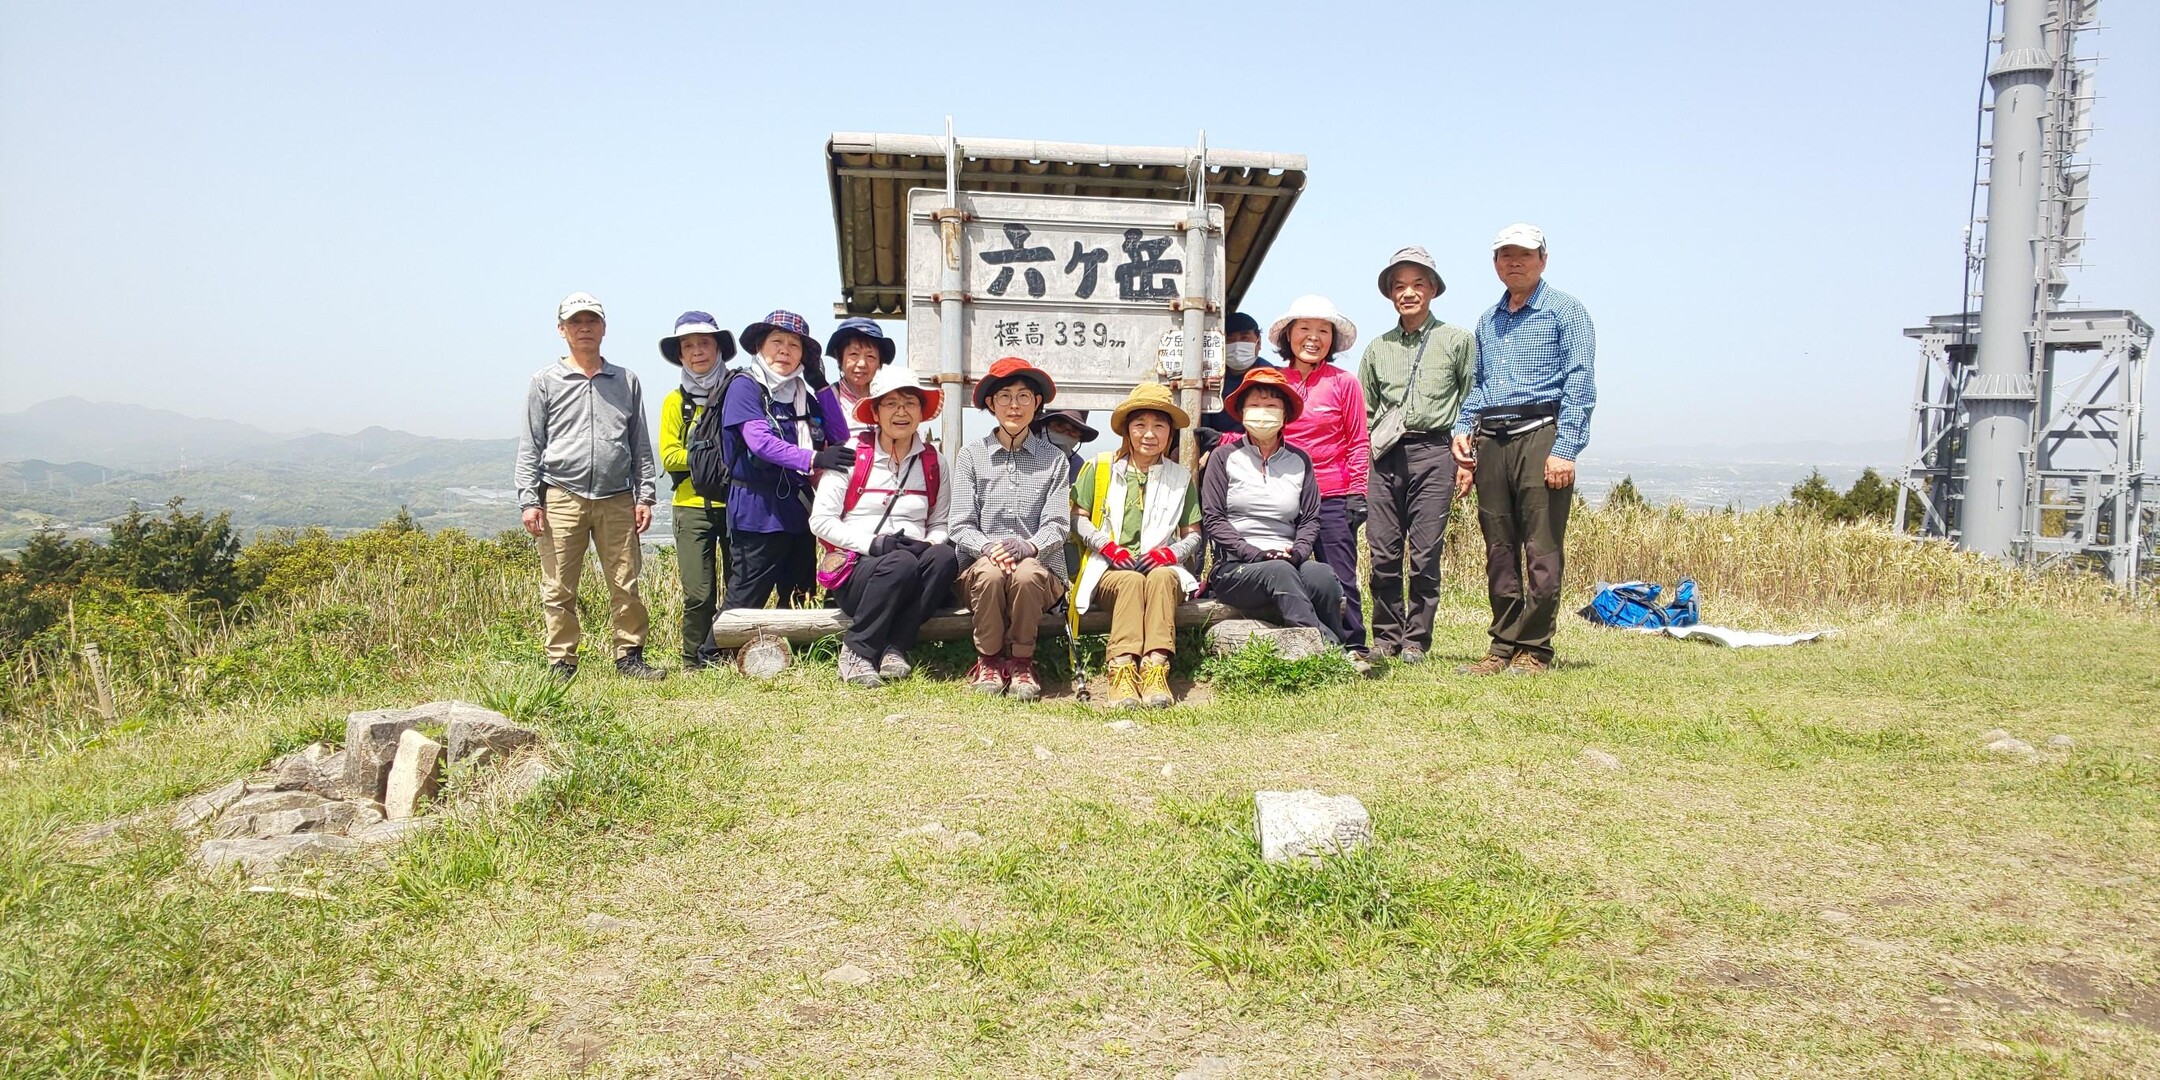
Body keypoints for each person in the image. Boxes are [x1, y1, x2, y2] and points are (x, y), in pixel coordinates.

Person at [1451, 223, 1597, 675]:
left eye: (1525, 254)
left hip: (1541, 434)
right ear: (1495, 263)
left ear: (1543, 260)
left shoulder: (1566, 311)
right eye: (1505, 255)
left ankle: (1534, 649)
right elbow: (1480, 384)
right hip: (1492, 438)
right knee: (1499, 545)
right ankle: (1502, 647)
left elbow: (1580, 381)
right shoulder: (1488, 320)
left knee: (1541, 546)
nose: (1515, 262)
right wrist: (1462, 428)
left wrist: (1566, 448)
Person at [514, 292, 665, 682]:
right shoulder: (544, 381)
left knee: (625, 581)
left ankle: (629, 656)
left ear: (604, 328)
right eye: (576, 322)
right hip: (562, 493)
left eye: (591, 321)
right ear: (561, 329)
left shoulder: (625, 380)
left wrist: (645, 495)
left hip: (617, 497)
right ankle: (561, 661)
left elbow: (639, 443)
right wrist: (529, 500)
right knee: (559, 585)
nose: (584, 328)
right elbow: (531, 443)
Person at [1360, 247, 1476, 665]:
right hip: (1384, 455)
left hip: (1435, 451)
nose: (1408, 293)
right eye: (1399, 286)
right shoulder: (1377, 348)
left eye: (1417, 285)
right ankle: (1386, 637)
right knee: (1383, 552)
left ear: (1433, 290)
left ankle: (1416, 641)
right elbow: (1365, 410)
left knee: (1425, 554)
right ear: (1391, 294)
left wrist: (1467, 461)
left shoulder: (1457, 340)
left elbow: (1471, 402)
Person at [810, 367, 956, 688]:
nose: (901, 412)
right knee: (899, 562)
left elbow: (939, 522)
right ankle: (857, 650)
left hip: (909, 569)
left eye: (910, 403)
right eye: (891, 404)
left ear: (921, 412)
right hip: (857, 571)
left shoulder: (934, 462)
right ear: (875, 412)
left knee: (944, 558)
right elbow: (820, 520)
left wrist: (930, 543)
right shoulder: (852, 455)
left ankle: (895, 647)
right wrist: (874, 544)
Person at [1200, 368, 1359, 664]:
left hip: (1287, 559)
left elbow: (1310, 519)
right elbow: (1214, 519)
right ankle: (1331, 654)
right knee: (1279, 571)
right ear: (1242, 413)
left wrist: (1298, 552)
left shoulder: (1300, 460)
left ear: (1285, 416)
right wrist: (1255, 554)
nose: (1263, 412)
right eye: (1255, 405)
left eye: (1272, 405)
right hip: (1235, 568)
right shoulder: (1224, 458)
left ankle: (1335, 644)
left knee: (1323, 576)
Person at [1070, 383, 1203, 709]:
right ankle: (1122, 668)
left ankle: (1155, 668)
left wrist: (1169, 554)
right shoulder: (1099, 468)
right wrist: (1108, 547)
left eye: (1159, 426)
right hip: (1109, 572)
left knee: (1161, 578)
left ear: (1170, 433)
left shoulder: (1180, 478)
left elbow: (1193, 534)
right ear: (1127, 430)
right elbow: (1077, 519)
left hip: (1162, 570)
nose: (1149, 434)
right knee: (1130, 581)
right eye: (1140, 424)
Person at [949, 356, 1071, 701]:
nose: (1014, 405)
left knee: (1027, 573)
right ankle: (988, 660)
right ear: (991, 403)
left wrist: (1028, 547)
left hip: (1039, 569)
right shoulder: (971, 455)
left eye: (1023, 397)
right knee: (990, 574)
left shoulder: (1055, 460)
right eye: (1004, 396)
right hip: (980, 567)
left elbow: (1058, 523)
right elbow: (960, 523)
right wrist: (989, 548)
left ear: (1037, 402)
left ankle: (1021, 662)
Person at [718, 309, 852, 614]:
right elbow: (760, 442)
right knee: (746, 597)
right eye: (777, 341)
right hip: (757, 511)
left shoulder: (800, 393)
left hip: (797, 509)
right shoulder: (745, 386)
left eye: (794, 345)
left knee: (799, 596)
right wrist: (815, 457)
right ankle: (715, 644)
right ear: (759, 346)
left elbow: (838, 433)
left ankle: (790, 644)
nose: (785, 351)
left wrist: (820, 384)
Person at [1270, 295, 1371, 656]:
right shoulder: (1275, 381)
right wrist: (1220, 440)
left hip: (1332, 494)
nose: (1313, 337)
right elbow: (1259, 430)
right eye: (1305, 328)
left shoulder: (1345, 383)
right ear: (1289, 335)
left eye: (1323, 331)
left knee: (1340, 573)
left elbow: (1358, 442)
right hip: (1283, 494)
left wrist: (1357, 492)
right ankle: (1300, 641)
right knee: (1283, 568)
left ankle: (1353, 644)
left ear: (1332, 339)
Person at [656, 311, 739, 669]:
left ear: (718, 348)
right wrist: (720, 458)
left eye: (704, 343)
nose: (697, 352)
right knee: (699, 594)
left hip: (735, 504)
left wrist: (700, 457)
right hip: (690, 507)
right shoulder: (675, 402)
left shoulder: (739, 393)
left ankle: (730, 654)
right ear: (680, 355)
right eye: (688, 346)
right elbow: (669, 456)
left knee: (738, 590)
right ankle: (693, 660)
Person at [1201, 311, 1270, 436]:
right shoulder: (1210, 379)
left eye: (1244, 338)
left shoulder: (1272, 377)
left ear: (1258, 342)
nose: (1237, 345)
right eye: (1230, 340)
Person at [826, 317, 895, 438]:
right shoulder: (827, 400)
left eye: (870, 356)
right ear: (840, 358)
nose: (862, 363)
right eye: (854, 354)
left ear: (879, 362)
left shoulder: (891, 397)